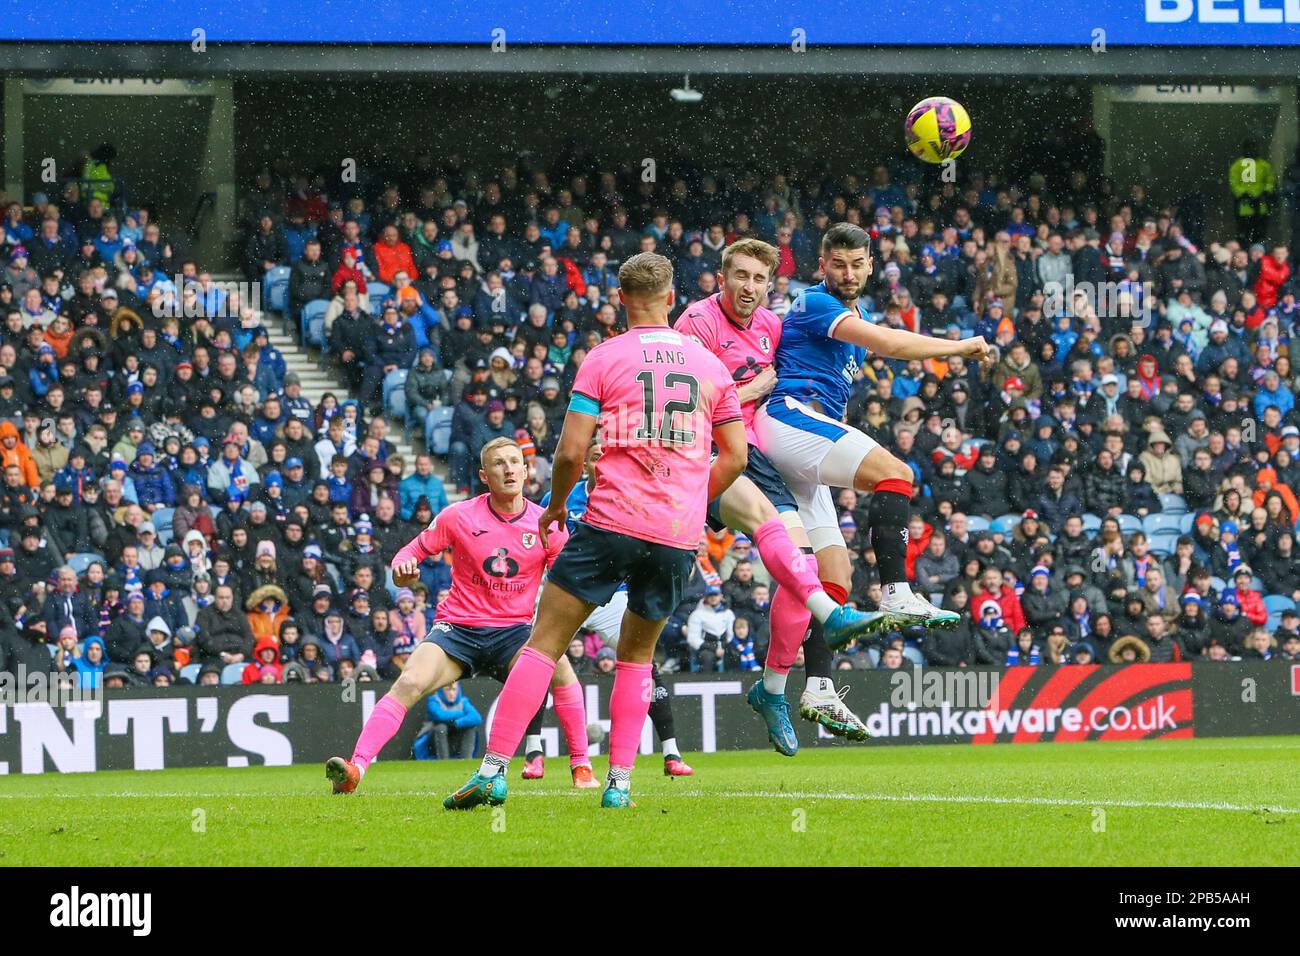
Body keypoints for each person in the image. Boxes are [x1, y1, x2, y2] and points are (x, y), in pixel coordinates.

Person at [444, 251, 748, 811]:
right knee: (637, 657)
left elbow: (569, 452)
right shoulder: (710, 366)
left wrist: (556, 507)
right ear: (672, 297)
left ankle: (493, 772)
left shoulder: (605, 358)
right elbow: (735, 456)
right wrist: (689, 499)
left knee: (543, 645)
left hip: (610, 523)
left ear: (620, 299)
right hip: (676, 535)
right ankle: (620, 786)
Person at [674, 237, 887, 750]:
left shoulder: (774, 325)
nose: (749, 287)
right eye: (740, 276)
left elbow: (797, 380)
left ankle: (774, 689)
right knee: (790, 559)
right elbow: (689, 402)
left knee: (807, 570)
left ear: (771, 285)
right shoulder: (696, 324)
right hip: (706, 454)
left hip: (762, 455)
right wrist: (751, 389)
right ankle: (829, 622)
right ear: (720, 277)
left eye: (759, 279)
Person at [753, 223, 990, 636]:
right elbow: (892, 345)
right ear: (823, 265)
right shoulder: (815, 301)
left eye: (856, 265)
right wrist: (959, 347)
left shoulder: (854, 316)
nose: (847, 274)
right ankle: (896, 591)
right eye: (838, 265)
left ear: (870, 267)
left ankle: (813, 690)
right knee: (897, 474)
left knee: (834, 582)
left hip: (802, 437)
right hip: (786, 419)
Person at [326, 435, 598, 794]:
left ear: (526, 468)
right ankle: (355, 769)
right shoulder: (459, 515)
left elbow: (567, 581)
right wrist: (402, 570)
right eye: (499, 464)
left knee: (561, 668)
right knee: (408, 682)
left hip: (513, 634)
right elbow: (407, 554)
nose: (509, 469)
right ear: (485, 476)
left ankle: (581, 766)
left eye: (515, 462)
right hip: (457, 632)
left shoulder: (545, 523)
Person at [539, 437, 694, 775]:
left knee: (643, 662)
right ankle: (535, 752)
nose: (601, 463)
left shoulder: (630, 496)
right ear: (585, 464)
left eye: (607, 457)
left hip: (614, 596)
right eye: (594, 457)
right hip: (567, 591)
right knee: (539, 656)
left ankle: (671, 752)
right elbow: (543, 542)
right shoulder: (559, 498)